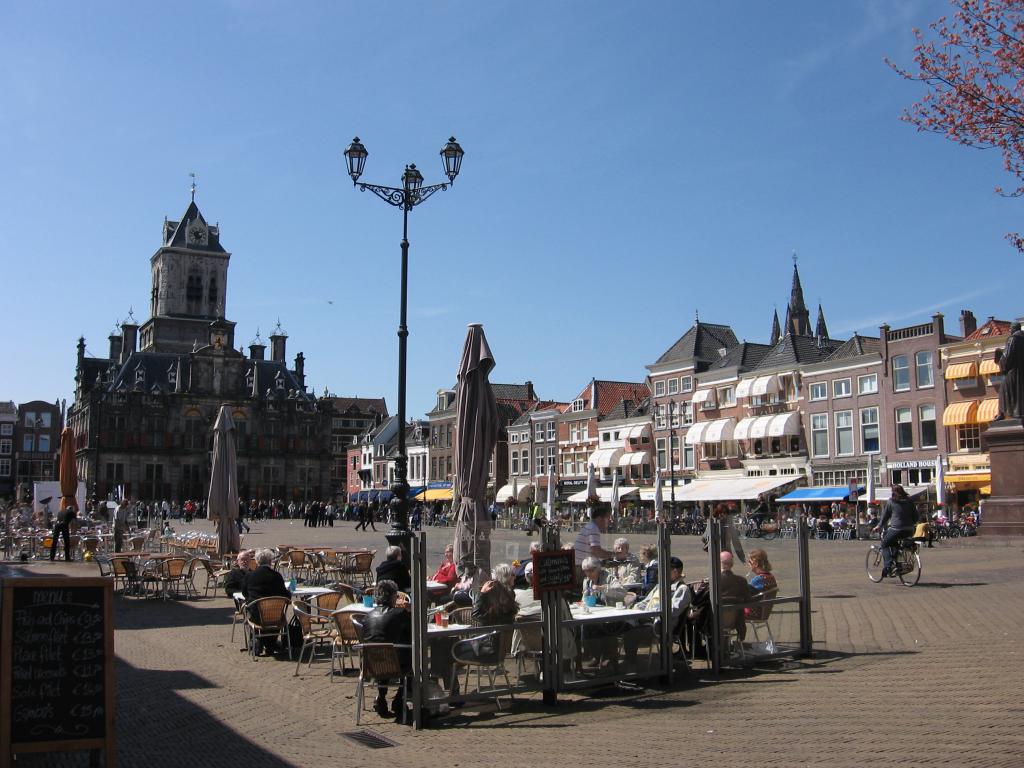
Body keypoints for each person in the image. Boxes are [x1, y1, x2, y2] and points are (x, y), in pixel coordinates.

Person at [361, 579, 412, 720]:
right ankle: (399, 699)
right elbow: (412, 632)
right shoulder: (400, 614)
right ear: (392, 597)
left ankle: (381, 697)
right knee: (411, 660)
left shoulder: (367, 617)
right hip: (395, 665)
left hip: (370, 666)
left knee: (383, 654)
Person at [241, 548, 290, 655]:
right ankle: (270, 644)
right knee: (278, 616)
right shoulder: (277, 576)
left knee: (250, 612)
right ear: (270, 561)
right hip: (275, 615)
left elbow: (245, 594)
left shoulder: (249, 576)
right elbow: (286, 595)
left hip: (257, 615)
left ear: (257, 561)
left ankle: (257, 642)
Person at [872, 485, 918, 578]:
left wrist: (878, 526)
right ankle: (897, 564)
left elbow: (885, 516)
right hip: (910, 530)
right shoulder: (910, 501)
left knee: (884, 544)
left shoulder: (891, 501)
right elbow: (916, 517)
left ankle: (888, 565)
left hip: (896, 529)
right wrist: (910, 524)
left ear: (893, 492)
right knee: (894, 543)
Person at [718, 551, 753, 642]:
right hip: (736, 622)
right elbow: (748, 601)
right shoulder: (742, 581)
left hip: (715, 622)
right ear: (732, 564)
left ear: (719, 563)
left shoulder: (714, 581)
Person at [574, 507, 614, 575]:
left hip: (580, 565)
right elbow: (596, 552)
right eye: (608, 518)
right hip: (583, 568)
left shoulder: (590, 526)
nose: (610, 521)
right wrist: (614, 555)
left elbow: (594, 551)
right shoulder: (593, 528)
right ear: (600, 518)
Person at [744, 549, 778, 621]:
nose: (748, 564)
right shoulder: (771, 577)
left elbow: (746, 595)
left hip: (752, 613)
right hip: (762, 612)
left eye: (749, 561)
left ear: (756, 564)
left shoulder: (758, 579)